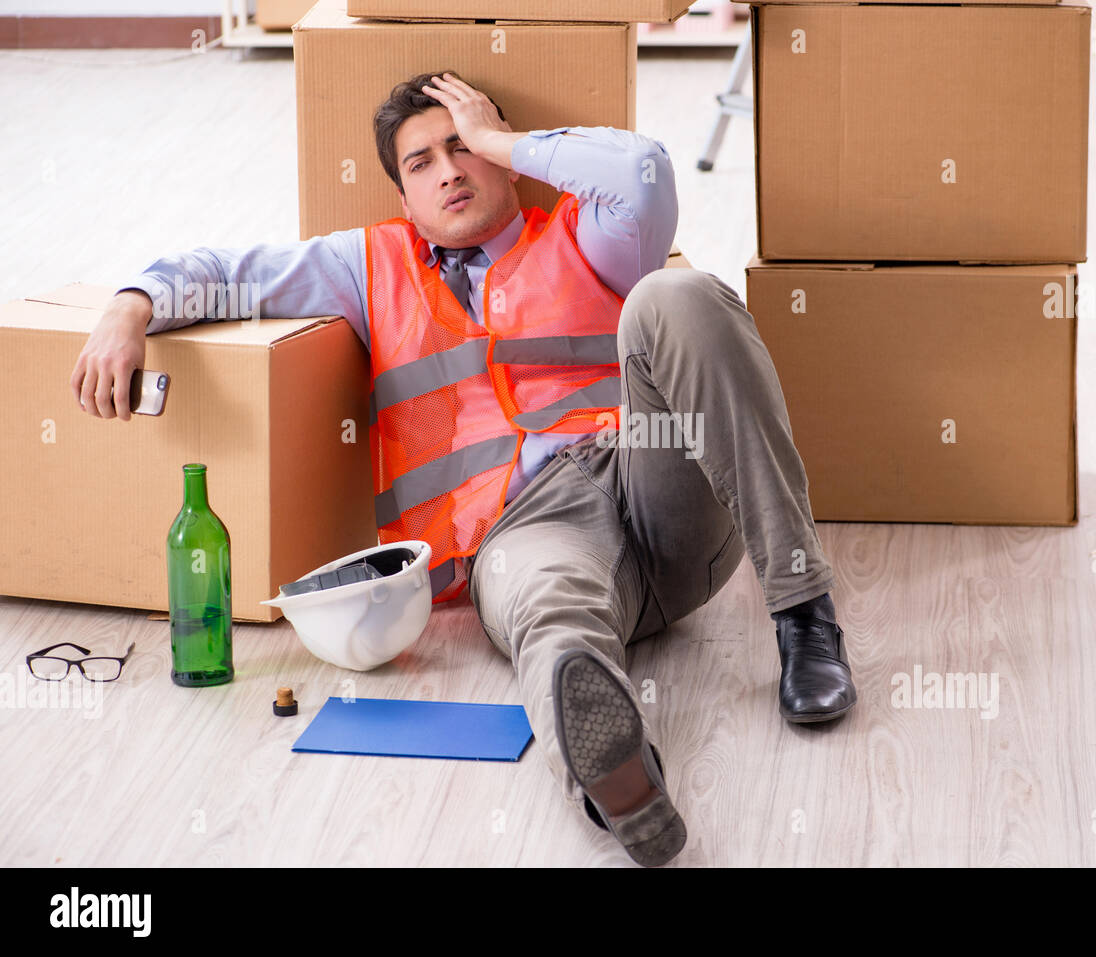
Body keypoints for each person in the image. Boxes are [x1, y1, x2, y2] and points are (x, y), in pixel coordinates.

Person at [69, 70, 856, 867]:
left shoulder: (588, 235)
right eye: (420, 162)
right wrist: (130, 305)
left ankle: (805, 618)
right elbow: (232, 272)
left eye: (463, 147)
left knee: (677, 298)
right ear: (402, 195)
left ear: (506, 159)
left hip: (655, 487)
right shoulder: (368, 267)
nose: (448, 170)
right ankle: (621, 777)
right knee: (551, 616)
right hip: (523, 532)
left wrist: (502, 139)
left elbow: (646, 170)